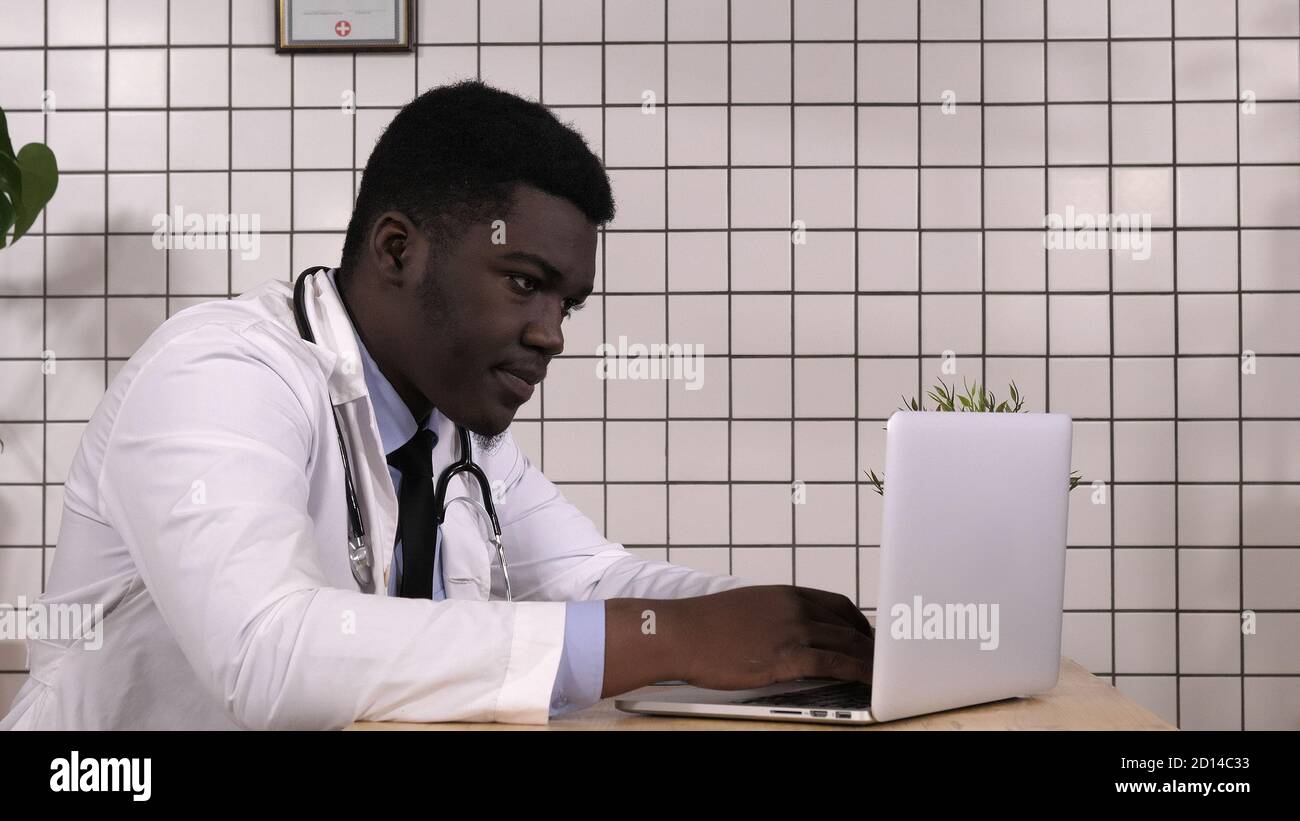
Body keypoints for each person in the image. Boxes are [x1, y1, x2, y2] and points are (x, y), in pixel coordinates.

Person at [1, 80, 872, 730]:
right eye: (525, 283)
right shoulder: (220, 369)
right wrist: (668, 637)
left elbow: (594, 580)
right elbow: (268, 649)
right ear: (397, 249)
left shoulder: (456, 435)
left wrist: (788, 627)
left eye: (566, 305)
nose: (552, 335)